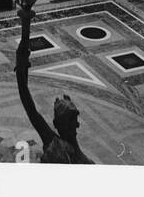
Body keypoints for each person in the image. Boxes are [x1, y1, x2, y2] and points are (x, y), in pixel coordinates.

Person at [14, 36, 93, 164]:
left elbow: (29, 106)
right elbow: (28, 104)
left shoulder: (55, 143)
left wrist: (21, 65)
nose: (72, 125)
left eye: (71, 120)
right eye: (68, 121)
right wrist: (21, 66)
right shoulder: (55, 143)